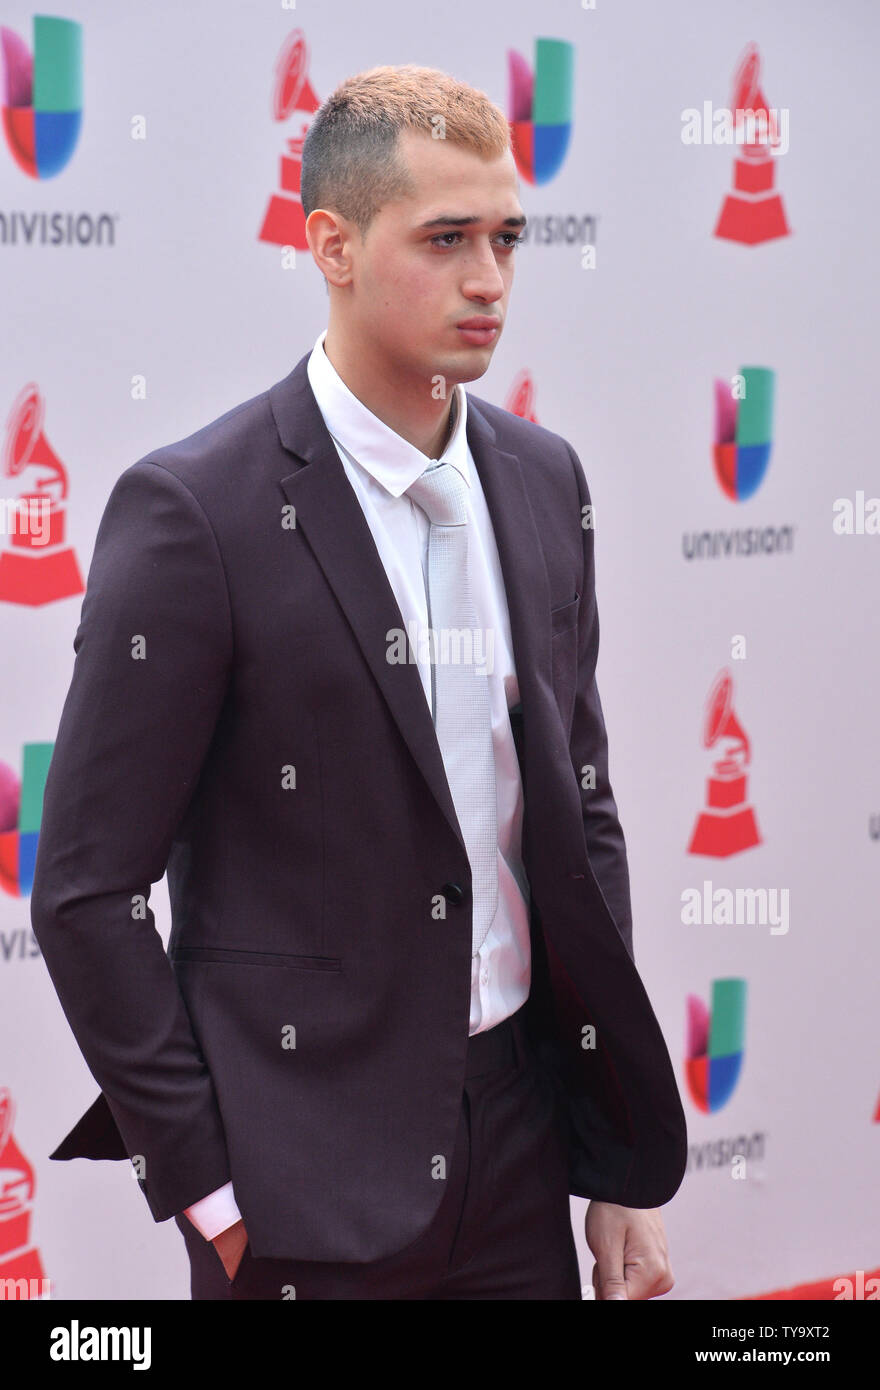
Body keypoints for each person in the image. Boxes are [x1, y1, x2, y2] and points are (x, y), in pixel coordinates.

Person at [30, 64, 687, 1301]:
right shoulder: (196, 513)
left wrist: (615, 1156)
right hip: (298, 1196)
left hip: (521, 1151)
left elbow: (575, 817)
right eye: (445, 239)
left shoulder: (545, 482)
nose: (490, 279)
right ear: (328, 242)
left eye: (506, 237)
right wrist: (213, 1193)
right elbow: (85, 887)